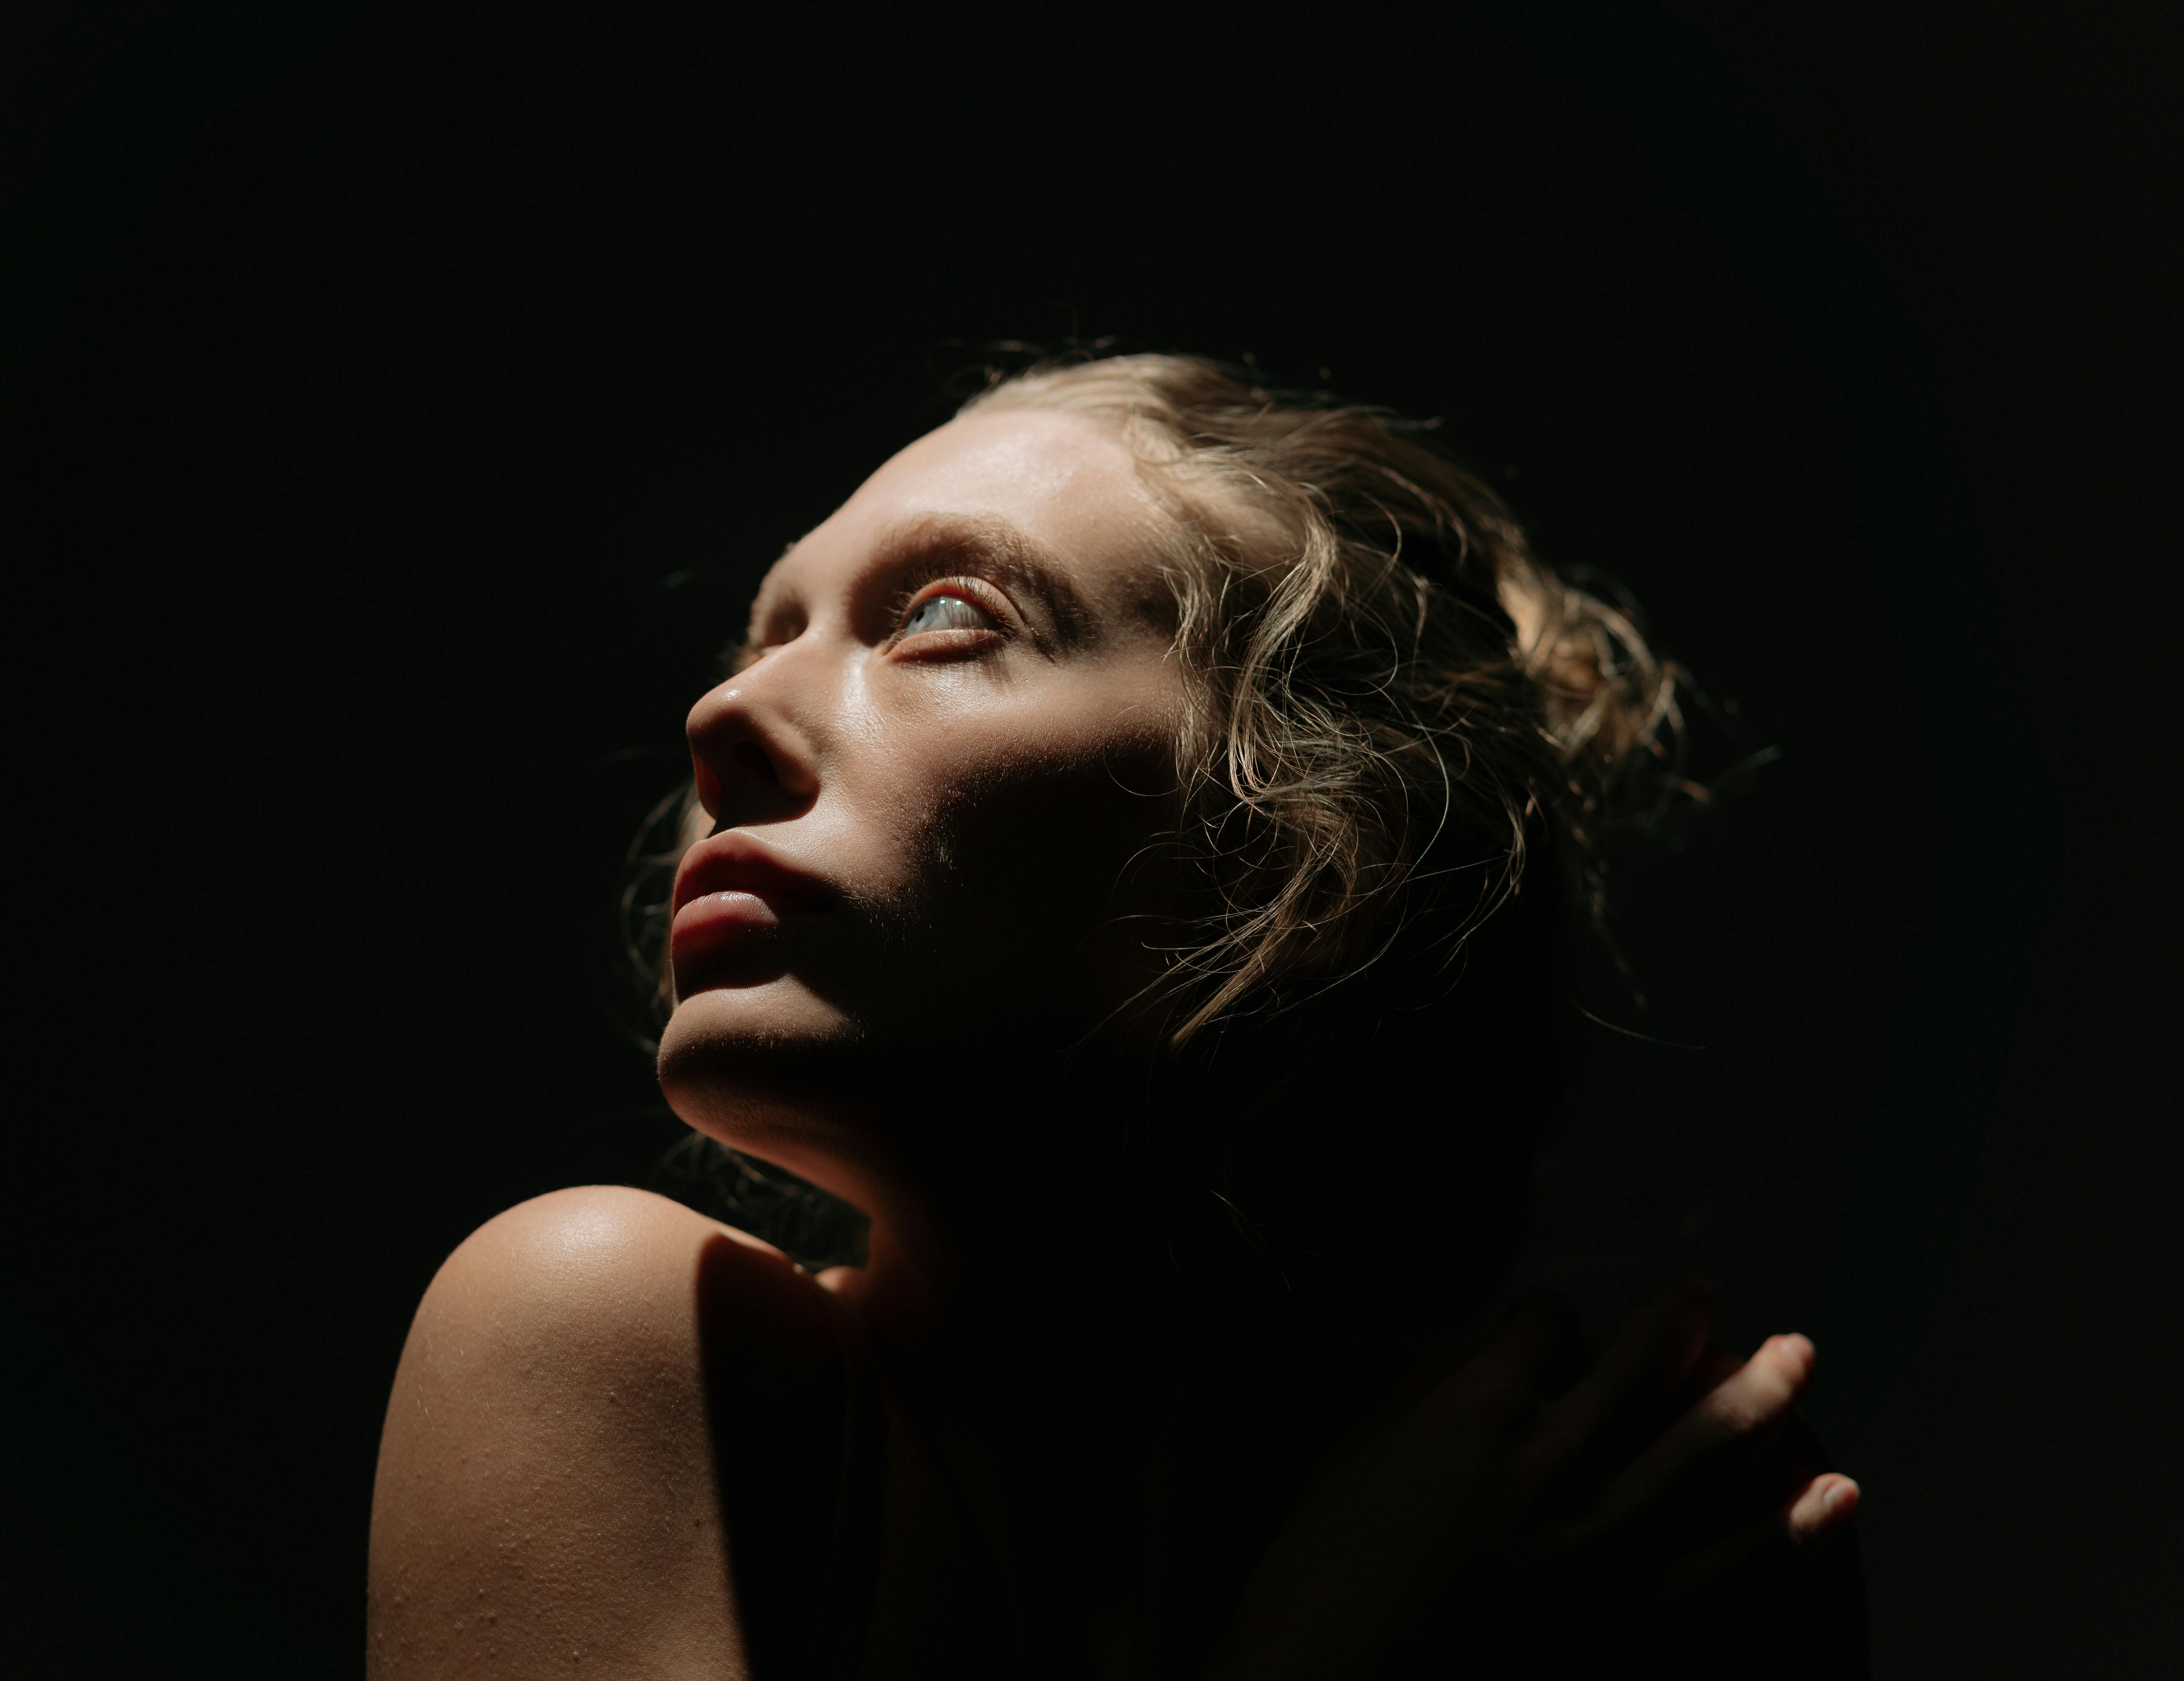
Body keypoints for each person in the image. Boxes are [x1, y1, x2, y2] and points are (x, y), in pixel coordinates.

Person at [365, 354, 1867, 1679]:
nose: (722, 719)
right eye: (761, 639)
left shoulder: (1634, 1545)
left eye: (944, 619)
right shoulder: (624, 1347)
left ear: (1309, 853)